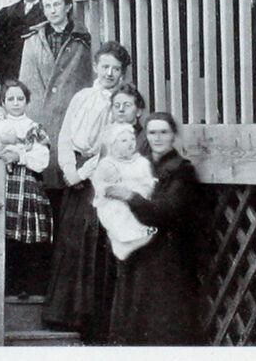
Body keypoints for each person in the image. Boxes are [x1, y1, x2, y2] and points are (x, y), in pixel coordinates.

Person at [43, 41, 131, 342]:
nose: (109, 73)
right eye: (105, 66)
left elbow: (111, 145)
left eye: (115, 69)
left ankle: (88, 319)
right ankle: (60, 314)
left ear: (122, 73)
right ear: (95, 66)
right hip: (75, 176)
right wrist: (69, 171)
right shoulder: (82, 97)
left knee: (93, 245)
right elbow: (65, 135)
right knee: (70, 241)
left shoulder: (121, 103)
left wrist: (85, 172)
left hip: (99, 176)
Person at [106, 112, 206, 346]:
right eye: (152, 132)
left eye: (164, 132)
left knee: (161, 324)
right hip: (137, 250)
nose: (158, 138)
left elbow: (167, 211)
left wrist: (131, 197)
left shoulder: (181, 170)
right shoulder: (139, 165)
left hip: (167, 256)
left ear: (174, 136)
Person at [18, 0, 93, 210]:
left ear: (68, 6)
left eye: (57, 4)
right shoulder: (33, 40)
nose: (52, 10)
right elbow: (26, 81)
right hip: (42, 117)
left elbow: (86, 78)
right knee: (45, 178)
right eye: (47, 5)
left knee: (71, 179)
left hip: (71, 114)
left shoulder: (82, 39)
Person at [0, 79, 54, 297]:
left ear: (27, 101)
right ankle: (1, 285)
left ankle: (24, 286)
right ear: (3, 102)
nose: (15, 103)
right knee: (2, 234)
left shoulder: (33, 127)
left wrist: (19, 155)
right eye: (10, 99)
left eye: (20, 99)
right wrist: (1, 144)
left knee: (24, 236)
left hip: (25, 186)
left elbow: (41, 160)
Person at [91, 123, 157, 260]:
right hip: (113, 203)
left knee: (139, 212)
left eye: (132, 139)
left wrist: (145, 187)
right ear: (113, 145)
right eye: (124, 140)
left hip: (137, 200)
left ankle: (133, 239)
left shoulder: (141, 162)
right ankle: (126, 239)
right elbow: (101, 184)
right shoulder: (108, 164)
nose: (130, 143)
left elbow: (148, 182)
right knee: (118, 211)